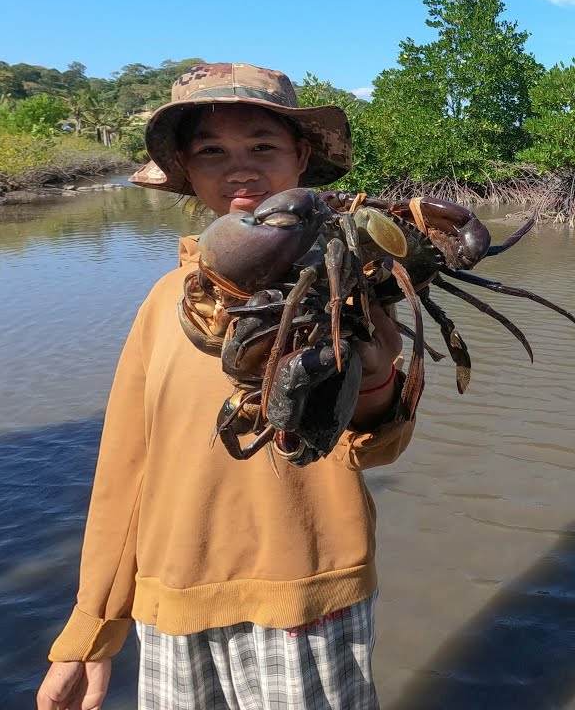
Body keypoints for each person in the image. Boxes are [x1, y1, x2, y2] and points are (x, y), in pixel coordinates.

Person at [36, 63, 413, 710]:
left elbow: (371, 446)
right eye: (212, 151)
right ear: (185, 168)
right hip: (171, 599)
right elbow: (124, 470)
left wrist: (377, 373)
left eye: (262, 146)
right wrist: (92, 628)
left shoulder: (345, 285)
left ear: (300, 157)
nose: (239, 167)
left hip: (307, 593)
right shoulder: (161, 303)